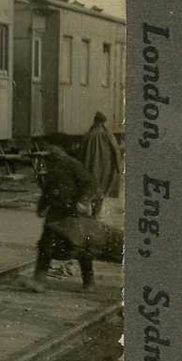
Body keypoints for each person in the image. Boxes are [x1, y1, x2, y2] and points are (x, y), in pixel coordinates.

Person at [28, 144, 98, 292]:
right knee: (47, 245)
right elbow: (48, 191)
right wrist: (42, 207)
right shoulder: (53, 169)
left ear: (54, 158)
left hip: (74, 212)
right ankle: (39, 281)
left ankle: (88, 282)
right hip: (57, 211)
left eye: (47, 160)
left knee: (81, 247)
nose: (46, 164)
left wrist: (82, 201)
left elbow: (90, 183)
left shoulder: (73, 165)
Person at [78, 112, 122, 218]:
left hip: (90, 167)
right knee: (101, 191)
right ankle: (96, 213)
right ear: (102, 122)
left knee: (92, 189)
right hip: (105, 168)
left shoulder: (87, 135)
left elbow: (80, 154)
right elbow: (116, 151)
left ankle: (94, 212)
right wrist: (118, 166)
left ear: (95, 121)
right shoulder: (108, 135)